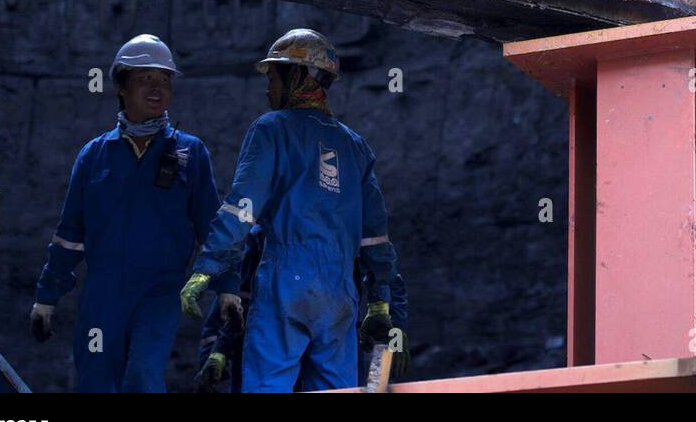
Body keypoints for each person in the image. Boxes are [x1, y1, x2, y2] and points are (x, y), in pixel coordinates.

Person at [180, 28, 399, 392]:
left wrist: (205, 268)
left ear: (296, 76)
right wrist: (380, 302)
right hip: (339, 290)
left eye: (273, 76)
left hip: (286, 277)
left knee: (268, 386)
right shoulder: (355, 146)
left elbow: (242, 209)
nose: (268, 88)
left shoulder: (271, 129)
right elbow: (375, 234)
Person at [30, 34, 238, 391]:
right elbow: (69, 234)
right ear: (121, 85)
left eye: (165, 80)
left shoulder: (190, 153)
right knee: (95, 380)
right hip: (102, 293)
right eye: (145, 79)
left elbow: (212, 226)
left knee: (143, 376)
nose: (157, 89)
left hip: (160, 292)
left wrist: (228, 288)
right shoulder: (94, 156)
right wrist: (46, 298)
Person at [194, 225, 411, 392]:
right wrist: (219, 351)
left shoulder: (348, 221)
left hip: (334, 336)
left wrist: (395, 336)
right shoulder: (264, 231)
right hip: (278, 334)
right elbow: (243, 296)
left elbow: (387, 279)